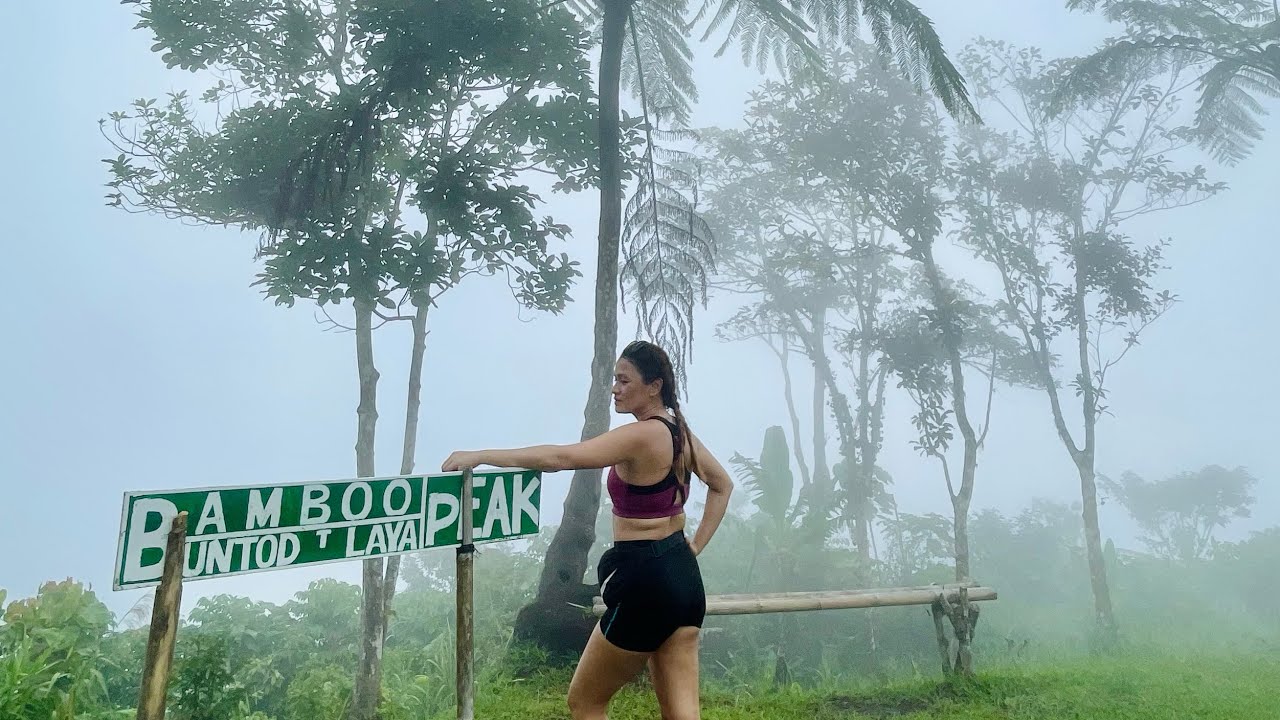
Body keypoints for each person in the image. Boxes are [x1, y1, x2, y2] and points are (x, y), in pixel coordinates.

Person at [442, 339, 733, 720]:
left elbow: (561, 458)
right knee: (682, 714)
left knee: (586, 702)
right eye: (615, 379)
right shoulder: (679, 433)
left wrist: (482, 455)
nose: (615, 387)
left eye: (624, 380)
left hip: (645, 579)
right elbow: (721, 484)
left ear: (654, 386)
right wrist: (693, 546)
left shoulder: (643, 435)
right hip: (682, 576)